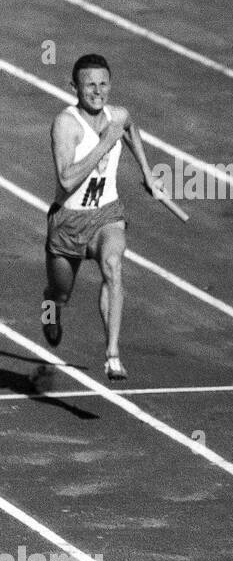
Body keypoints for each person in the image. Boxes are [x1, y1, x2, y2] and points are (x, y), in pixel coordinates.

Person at [43, 53, 158, 380]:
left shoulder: (117, 114)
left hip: (107, 214)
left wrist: (148, 174)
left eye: (103, 84)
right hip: (68, 221)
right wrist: (106, 142)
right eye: (89, 84)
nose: (97, 91)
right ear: (75, 87)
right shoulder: (66, 124)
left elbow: (130, 127)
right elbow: (66, 180)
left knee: (113, 266)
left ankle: (112, 355)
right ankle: (49, 309)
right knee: (60, 294)